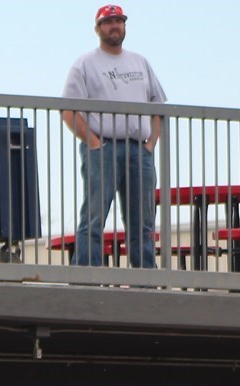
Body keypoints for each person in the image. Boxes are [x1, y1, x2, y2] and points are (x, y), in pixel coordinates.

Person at [60, 4, 166, 269]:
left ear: (125, 26)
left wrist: (151, 144)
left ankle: (145, 280)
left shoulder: (140, 62)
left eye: (119, 21)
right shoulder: (84, 63)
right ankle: (87, 276)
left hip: (138, 151)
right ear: (98, 29)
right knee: (94, 217)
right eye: (108, 22)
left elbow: (159, 106)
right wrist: (93, 142)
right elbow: (68, 110)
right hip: (102, 148)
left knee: (142, 221)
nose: (114, 26)